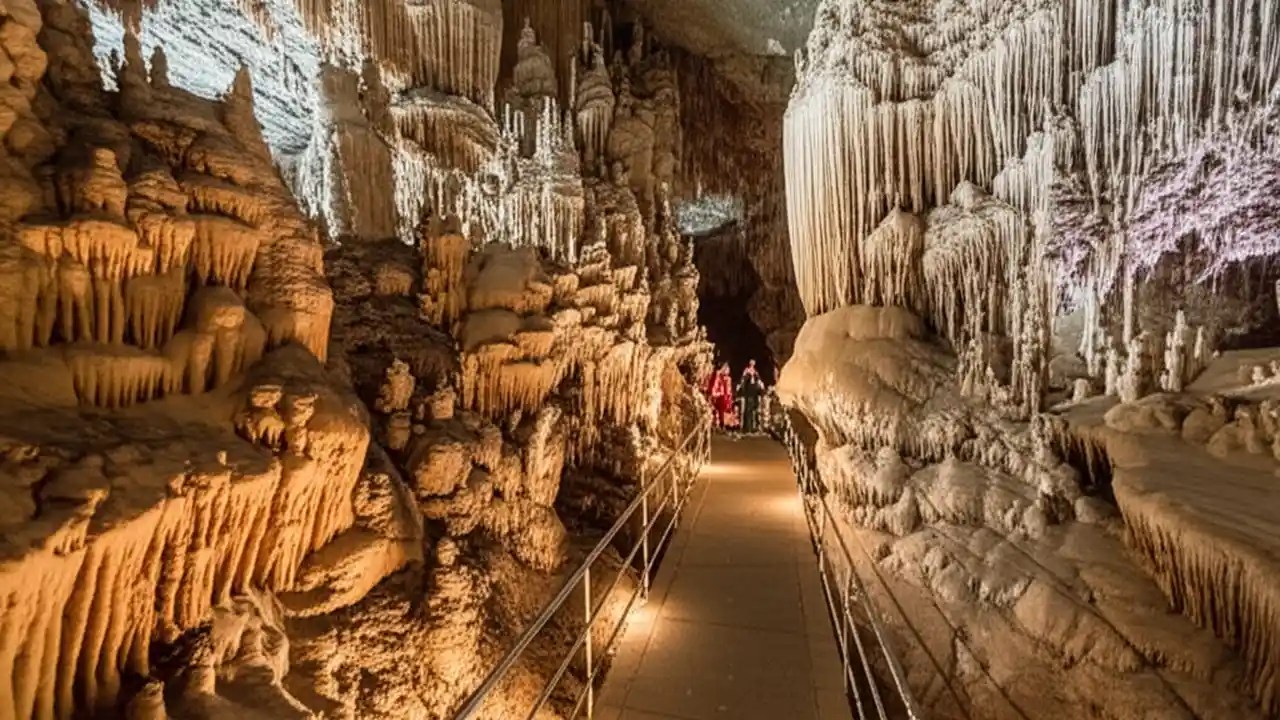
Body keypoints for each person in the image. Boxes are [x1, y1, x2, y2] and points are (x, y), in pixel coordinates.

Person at [737, 359, 766, 433]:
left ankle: (754, 427)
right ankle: (747, 427)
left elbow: (759, 381)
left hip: (754, 392)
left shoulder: (755, 372)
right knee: (748, 409)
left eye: (753, 363)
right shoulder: (746, 371)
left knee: (754, 409)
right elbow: (743, 381)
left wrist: (761, 387)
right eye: (751, 363)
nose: (752, 364)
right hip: (748, 391)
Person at [706, 362, 734, 429]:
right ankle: (719, 424)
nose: (727, 371)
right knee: (718, 410)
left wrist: (729, 396)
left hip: (724, 396)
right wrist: (716, 393)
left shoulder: (728, 379)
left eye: (728, 369)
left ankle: (721, 424)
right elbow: (715, 385)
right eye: (726, 369)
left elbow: (728, 389)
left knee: (722, 411)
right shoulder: (718, 375)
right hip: (719, 396)